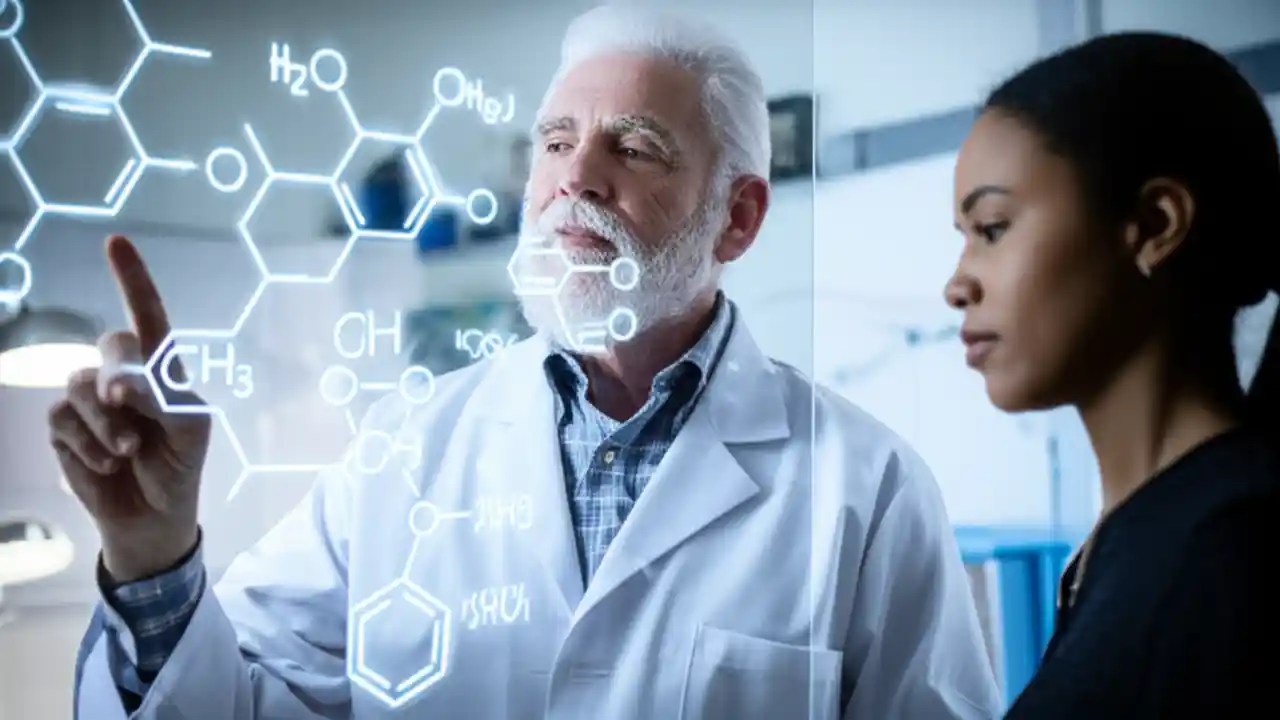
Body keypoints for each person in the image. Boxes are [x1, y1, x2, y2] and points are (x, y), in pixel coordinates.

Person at [61, 5, 999, 718]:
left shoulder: (865, 489)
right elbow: (239, 703)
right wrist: (152, 553)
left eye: (634, 147)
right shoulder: (405, 452)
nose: (575, 179)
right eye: (555, 142)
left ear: (739, 217)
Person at [945, 31, 1280, 718]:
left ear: (1155, 224)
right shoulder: (1133, 546)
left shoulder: (1234, 557)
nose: (958, 285)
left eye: (993, 228)